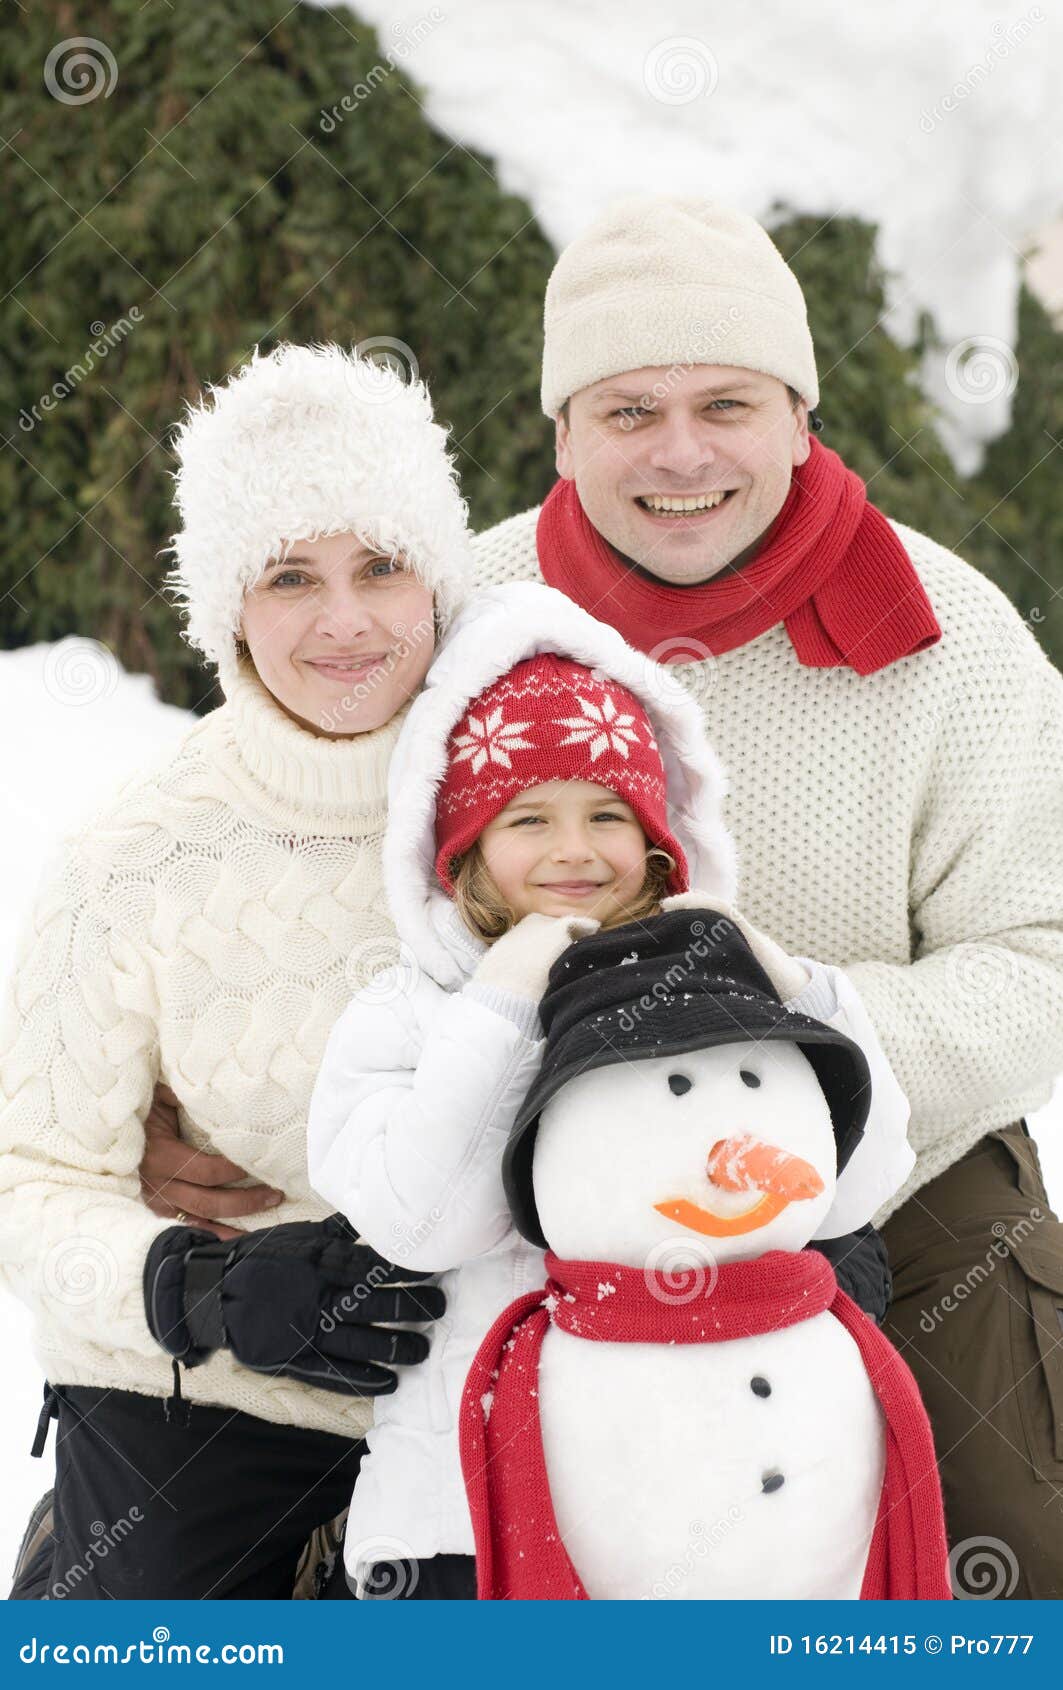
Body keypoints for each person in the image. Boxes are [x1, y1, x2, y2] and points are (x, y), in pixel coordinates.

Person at [467, 198, 1063, 1598]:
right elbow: (283, 837)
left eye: (724, 404)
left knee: (1014, 1545)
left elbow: (1038, 952)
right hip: (523, 1178)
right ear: (562, 434)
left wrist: (788, 1057)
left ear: (798, 415)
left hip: (896, 1178)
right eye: (628, 409)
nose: (679, 453)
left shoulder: (952, 636)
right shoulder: (465, 613)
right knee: (333, 1534)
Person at [305, 578, 915, 1598]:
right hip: (462, 1507)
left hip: (701, 1506)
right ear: (463, 848)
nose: (575, 850)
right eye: (527, 818)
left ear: (655, 839)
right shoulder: (404, 1017)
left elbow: (855, 1183)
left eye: (606, 814)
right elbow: (427, 1221)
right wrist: (504, 1007)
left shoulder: (718, 998)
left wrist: (796, 989)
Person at [0, 341, 470, 1599]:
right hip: (202, 1384)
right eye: (290, 576)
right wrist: (199, 1290)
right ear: (228, 607)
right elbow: (30, 1182)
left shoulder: (533, 809)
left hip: (469, 1385)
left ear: (437, 578)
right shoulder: (131, 856)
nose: (344, 619)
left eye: (381, 565)